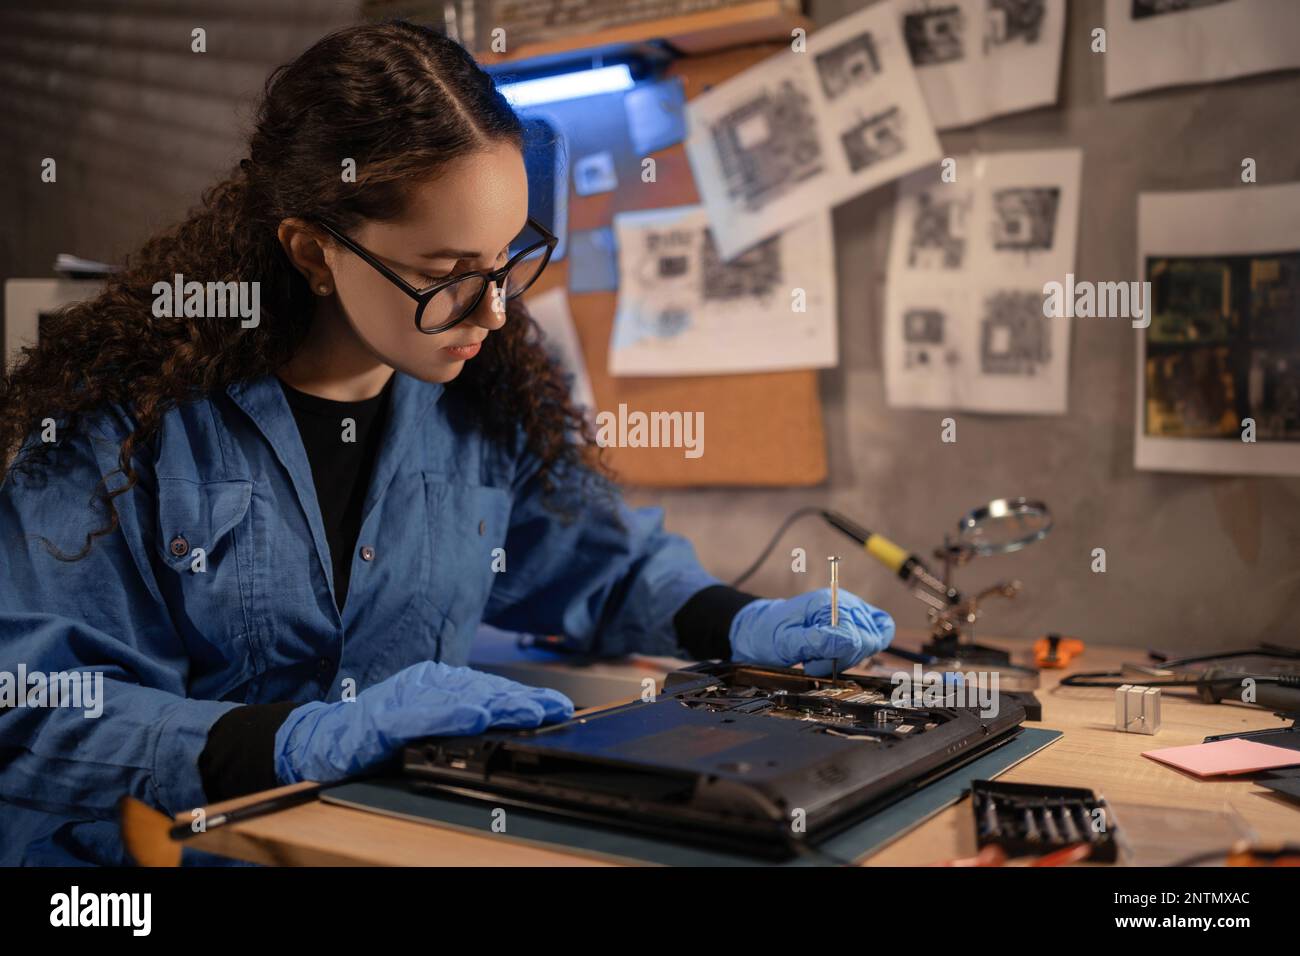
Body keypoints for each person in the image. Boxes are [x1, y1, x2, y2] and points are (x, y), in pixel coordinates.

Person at [0, 21, 895, 866]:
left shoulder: (477, 396)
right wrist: (292, 741)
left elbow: (605, 567)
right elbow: (34, 711)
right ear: (312, 251)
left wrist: (738, 622)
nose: (495, 312)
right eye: (446, 275)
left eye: (505, 261)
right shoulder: (121, 419)